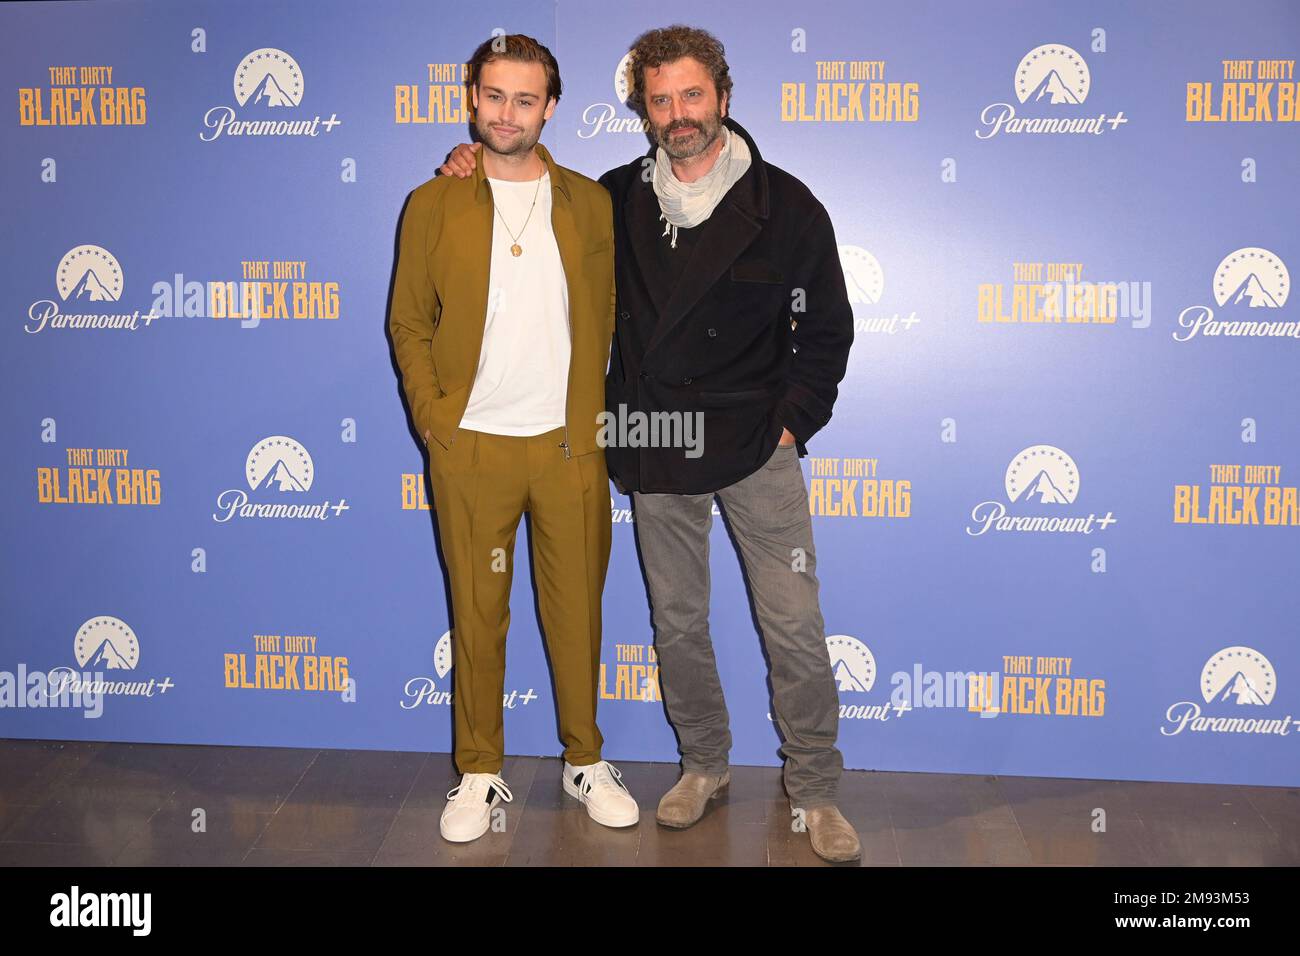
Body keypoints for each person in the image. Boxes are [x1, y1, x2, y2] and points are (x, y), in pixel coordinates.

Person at [441, 24, 858, 863]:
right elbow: (524, 186)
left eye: (691, 95)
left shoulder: (787, 204)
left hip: (755, 443)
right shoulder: (613, 200)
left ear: (724, 98)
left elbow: (829, 331)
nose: (678, 114)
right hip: (653, 436)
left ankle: (814, 787)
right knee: (677, 622)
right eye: (660, 99)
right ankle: (704, 763)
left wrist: (790, 423)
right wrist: (466, 161)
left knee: (793, 625)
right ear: (643, 109)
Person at [389, 33, 637, 844]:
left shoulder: (591, 203)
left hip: (570, 447)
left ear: (550, 108)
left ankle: (585, 759)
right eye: (493, 96)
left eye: (525, 99)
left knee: (577, 616)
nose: (507, 113)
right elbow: (408, 323)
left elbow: (605, 317)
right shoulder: (433, 202)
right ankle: (479, 773)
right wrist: (437, 422)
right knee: (477, 613)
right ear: (471, 97)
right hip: (473, 450)